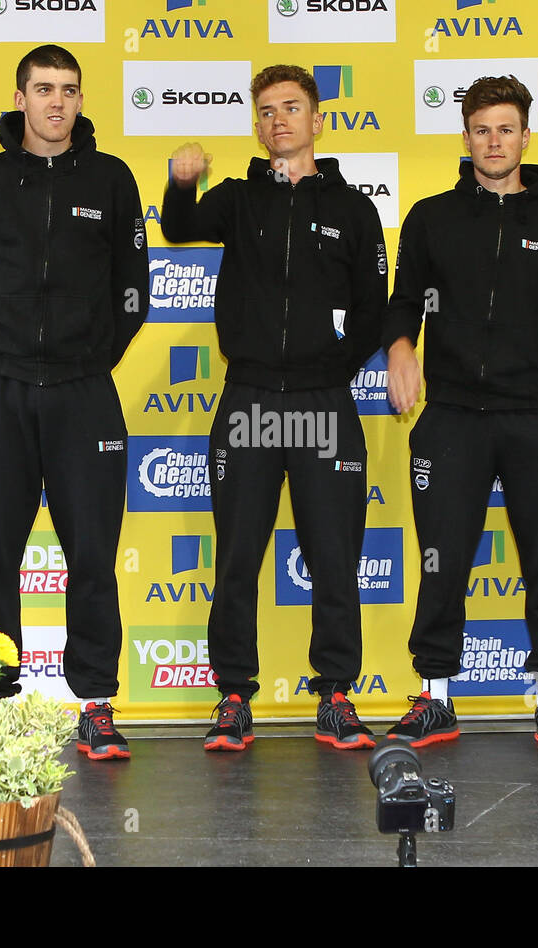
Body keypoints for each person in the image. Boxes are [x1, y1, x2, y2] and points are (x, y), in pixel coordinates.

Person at [161, 65, 388, 752]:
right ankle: (233, 696)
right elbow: (177, 228)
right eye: (265, 111)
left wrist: (327, 372)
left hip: (324, 403)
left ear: (317, 120)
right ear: (255, 125)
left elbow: (374, 314)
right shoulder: (235, 199)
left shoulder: (354, 209)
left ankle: (337, 695)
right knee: (236, 557)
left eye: (292, 108)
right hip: (249, 400)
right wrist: (180, 180)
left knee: (333, 554)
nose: (278, 120)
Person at [382, 75, 538, 752]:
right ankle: (436, 696)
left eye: (506, 128)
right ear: (466, 136)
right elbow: (401, 302)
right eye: (482, 129)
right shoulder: (430, 217)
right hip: (452, 416)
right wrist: (398, 347)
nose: (494, 140)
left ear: (526, 135)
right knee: (442, 561)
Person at [0, 45, 148, 760]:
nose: (56, 102)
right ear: (20, 98)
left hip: (84, 395)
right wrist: (5, 357)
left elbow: (133, 292)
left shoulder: (113, 179)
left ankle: (95, 704)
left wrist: (85, 360)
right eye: (43, 89)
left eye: (68, 90)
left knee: (92, 554)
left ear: (80, 100)